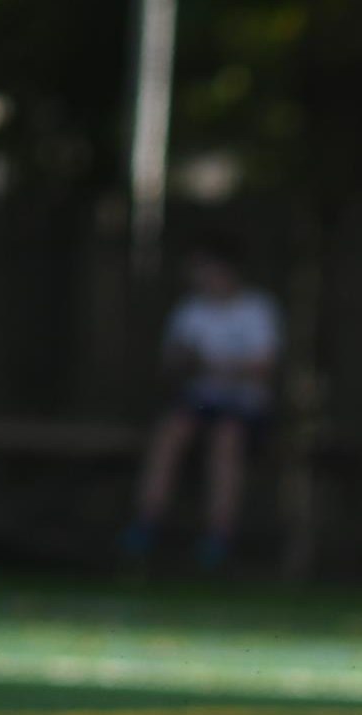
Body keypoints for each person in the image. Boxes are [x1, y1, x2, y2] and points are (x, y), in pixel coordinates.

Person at [122, 235, 282, 570]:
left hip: (244, 407)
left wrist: (214, 366)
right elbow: (173, 363)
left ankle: (219, 534)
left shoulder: (256, 309)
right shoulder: (190, 311)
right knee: (171, 432)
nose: (202, 279)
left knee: (227, 439)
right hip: (199, 401)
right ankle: (146, 523)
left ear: (228, 271)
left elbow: (263, 369)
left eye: (207, 270)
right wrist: (210, 365)